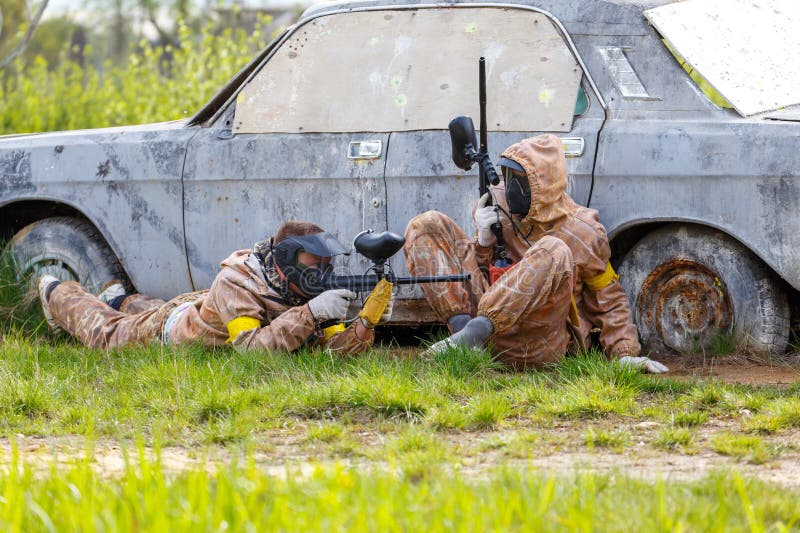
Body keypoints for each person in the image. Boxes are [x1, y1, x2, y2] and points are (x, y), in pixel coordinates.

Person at [403, 134, 667, 373]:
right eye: (508, 177)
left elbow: (608, 297)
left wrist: (624, 352)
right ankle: (466, 339)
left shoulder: (584, 231)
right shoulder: (499, 205)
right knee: (426, 224)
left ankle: (474, 335)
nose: (510, 189)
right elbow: (479, 272)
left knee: (553, 249)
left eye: (520, 181)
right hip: (482, 326)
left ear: (544, 184)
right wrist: (483, 242)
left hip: (535, 341)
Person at [37, 221, 393, 353]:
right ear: (287, 262)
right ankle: (57, 293)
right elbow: (251, 350)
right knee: (110, 335)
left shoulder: (303, 291)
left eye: (327, 265)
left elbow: (332, 354)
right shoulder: (238, 282)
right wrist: (311, 313)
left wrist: (365, 323)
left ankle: (119, 297)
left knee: (140, 307)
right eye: (317, 265)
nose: (324, 273)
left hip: (208, 307)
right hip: (175, 329)